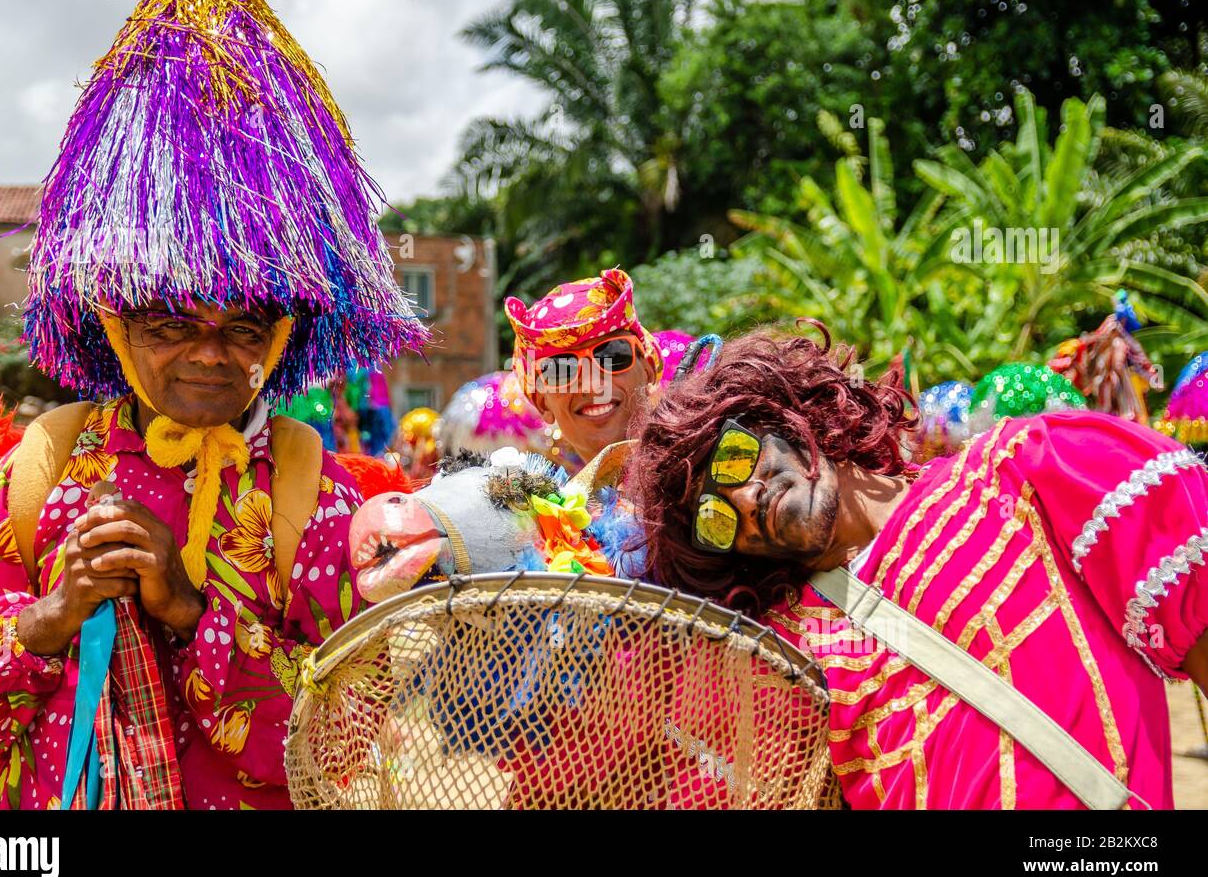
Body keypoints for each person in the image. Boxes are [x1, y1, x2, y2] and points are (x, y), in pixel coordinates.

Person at [0, 0, 425, 809]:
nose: (210, 352)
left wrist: (192, 614)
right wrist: (50, 616)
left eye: (242, 326)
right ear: (115, 321)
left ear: (283, 329)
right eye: (171, 323)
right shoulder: (42, 466)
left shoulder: (320, 493)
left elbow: (352, 737)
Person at [628, 324, 1208, 809]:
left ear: (785, 417)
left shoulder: (1026, 469)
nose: (743, 500)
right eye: (715, 521)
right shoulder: (784, 663)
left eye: (732, 459)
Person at [506, 269, 664, 465]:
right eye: (561, 369)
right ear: (542, 403)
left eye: (612, 354)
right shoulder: (538, 496)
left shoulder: (705, 477)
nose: (592, 385)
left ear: (648, 369)